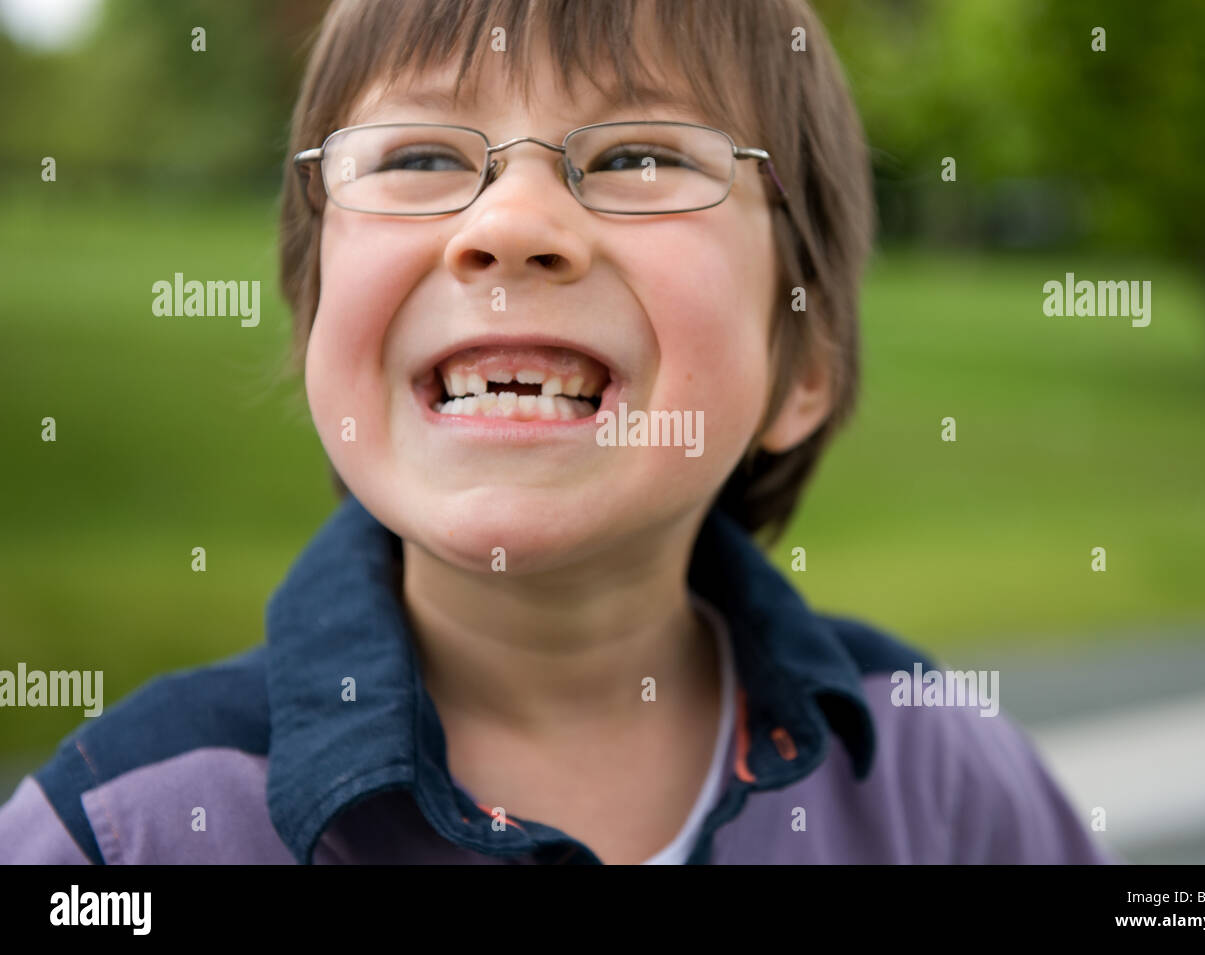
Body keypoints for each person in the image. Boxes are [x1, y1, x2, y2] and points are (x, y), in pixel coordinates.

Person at [0, 0, 1114, 864]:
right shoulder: (126, 831)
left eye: (638, 157)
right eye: (420, 158)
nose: (510, 223)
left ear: (802, 367)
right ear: (316, 323)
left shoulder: (942, 780)